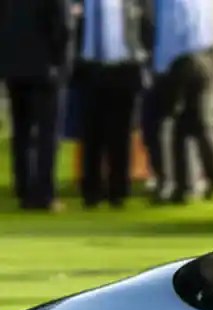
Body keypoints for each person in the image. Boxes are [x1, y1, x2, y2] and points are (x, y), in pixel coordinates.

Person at [75, 0, 152, 209]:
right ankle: (91, 191)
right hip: (90, 70)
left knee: (121, 135)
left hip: (124, 69)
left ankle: (118, 191)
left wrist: (144, 58)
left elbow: (148, 26)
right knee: (91, 135)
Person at [0, 0, 73, 212]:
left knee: (21, 133)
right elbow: (63, 26)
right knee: (47, 135)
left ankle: (23, 188)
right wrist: (62, 65)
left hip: (14, 68)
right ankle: (44, 193)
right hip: (45, 70)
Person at [153, 0, 213, 204]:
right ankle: (212, 178)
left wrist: (159, 68)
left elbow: (170, 30)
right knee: (200, 124)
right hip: (203, 55)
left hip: (178, 60)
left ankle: (181, 183)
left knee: (175, 125)